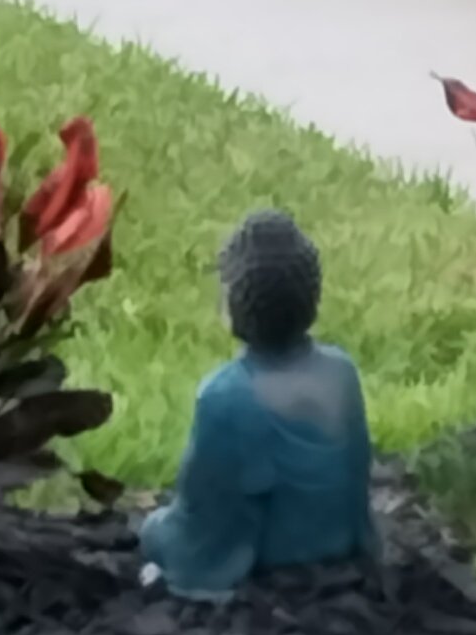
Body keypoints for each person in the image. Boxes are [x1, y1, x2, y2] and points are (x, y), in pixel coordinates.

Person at [140, 209, 378, 600]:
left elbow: (205, 518)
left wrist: (163, 531)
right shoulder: (342, 371)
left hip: (267, 556)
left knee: (154, 532)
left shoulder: (226, 395)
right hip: (339, 544)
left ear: (237, 302)